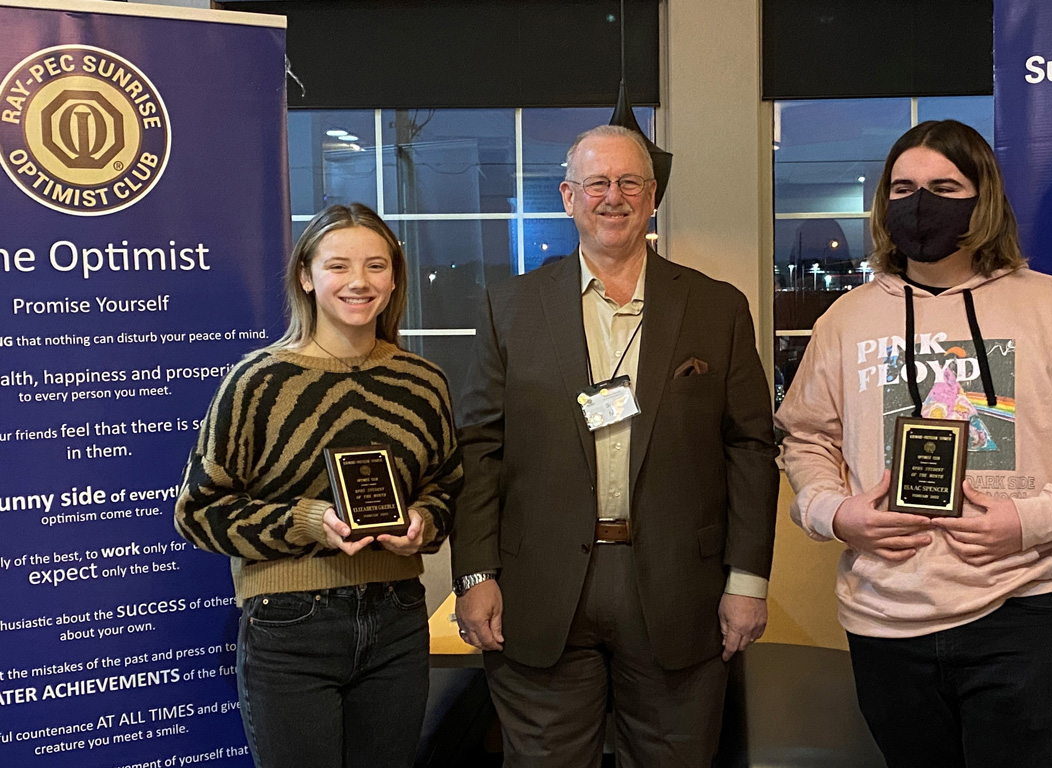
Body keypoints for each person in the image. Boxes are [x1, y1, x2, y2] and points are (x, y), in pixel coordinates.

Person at [775, 120, 1052, 768]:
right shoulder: (846, 319)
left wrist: (1033, 520)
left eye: (944, 187)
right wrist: (834, 513)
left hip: (1026, 611)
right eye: (903, 189)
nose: (920, 203)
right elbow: (807, 435)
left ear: (982, 199)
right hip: (884, 619)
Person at [451, 125, 778, 767]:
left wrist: (748, 580)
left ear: (653, 197)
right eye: (597, 182)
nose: (613, 197)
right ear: (568, 197)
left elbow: (750, 449)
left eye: (630, 182)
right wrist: (475, 574)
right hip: (538, 589)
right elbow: (480, 450)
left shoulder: (716, 307)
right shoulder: (510, 306)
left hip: (681, 590)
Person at [175, 203, 462, 768]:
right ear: (306, 276)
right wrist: (309, 523)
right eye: (338, 266)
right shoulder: (258, 382)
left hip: (398, 617)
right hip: (290, 626)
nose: (359, 282)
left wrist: (424, 523)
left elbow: (447, 487)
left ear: (394, 278)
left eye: (376, 266)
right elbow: (199, 512)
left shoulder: (423, 381)